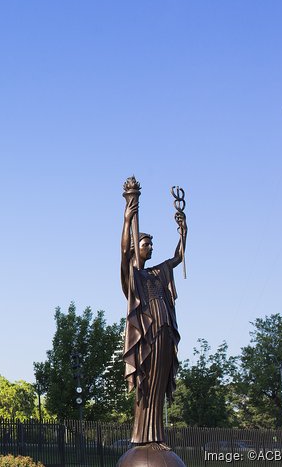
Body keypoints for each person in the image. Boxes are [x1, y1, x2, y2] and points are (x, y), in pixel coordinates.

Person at [120, 190, 187, 449]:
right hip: (146, 336)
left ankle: (156, 436)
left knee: (159, 384)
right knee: (146, 384)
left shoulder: (158, 272)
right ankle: (141, 437)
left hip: (164, 331)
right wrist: (128, 217)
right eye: (146, 244)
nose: (150, 247)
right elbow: (124, 249)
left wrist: (183, 232)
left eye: (151, 244)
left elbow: (178, 257)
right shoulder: (133, 276)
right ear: (138, 247)